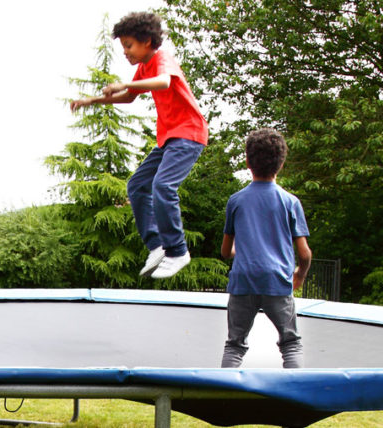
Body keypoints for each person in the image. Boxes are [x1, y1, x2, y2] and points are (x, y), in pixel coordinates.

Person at [70, 12, 208, 279]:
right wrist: (92, 101)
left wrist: (127, 82)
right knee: (137, 185)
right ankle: (157, 245)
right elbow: (129, 98)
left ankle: (178, 251)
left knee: (163, 186)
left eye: (129, 45)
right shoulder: (144, 68)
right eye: (122, 46)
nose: (125, 52)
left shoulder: (162, 59)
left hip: (188, 134)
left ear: (147, 41)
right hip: (169, 138)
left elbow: (164, 81)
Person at [220, 128, 311, 369]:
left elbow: (225, 251)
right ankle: (296, 401)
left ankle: (223, 401)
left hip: (243, 281)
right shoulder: (290, 202)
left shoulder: (236, 201)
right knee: (290, 343)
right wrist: (299, 275)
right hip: (277, 281)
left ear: (248, 162)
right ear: (281, 164)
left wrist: (243, 252)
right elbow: (304, 253)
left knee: (234, 345)